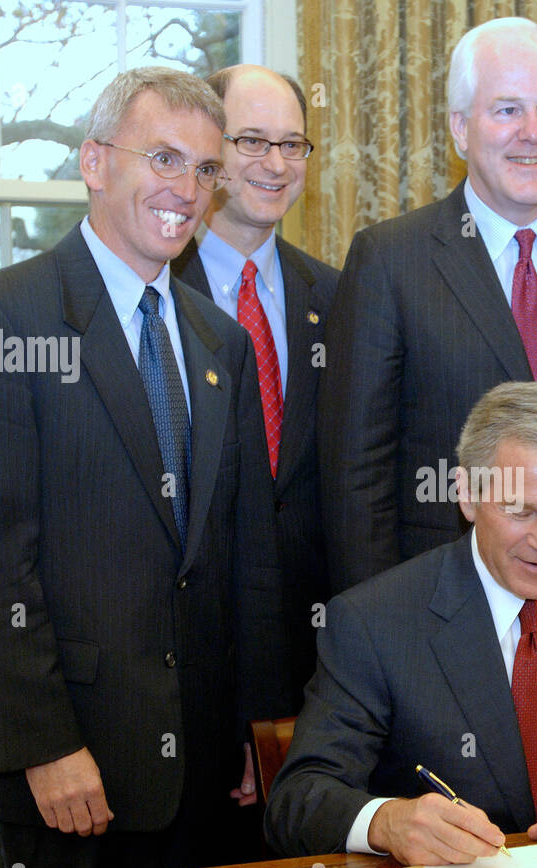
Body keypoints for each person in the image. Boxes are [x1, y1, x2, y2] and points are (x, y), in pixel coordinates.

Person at [0, 67, 284, 868]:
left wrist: (259, 734)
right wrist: (44, 743)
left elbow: (247, 561)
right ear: (93, 163)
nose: (185, 189)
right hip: (69, 780)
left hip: (207, 781)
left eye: (204, 169)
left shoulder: (220, 343)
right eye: (162, 157)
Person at [266, 382, 537, 864]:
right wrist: (388, 822)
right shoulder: (374, 621)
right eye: (521, 511)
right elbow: (297, 800)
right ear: (467, 497)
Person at [318, 16, 537, 597]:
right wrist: (382, 632)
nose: (532, 132)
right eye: (507, 110)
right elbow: (357, 475)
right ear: (460, 129)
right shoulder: (389, 259)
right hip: (436, 604)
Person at [172, 65, 338, 718]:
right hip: (181, 656)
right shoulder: (153, 289)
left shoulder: (340, 295)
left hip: (312, 660)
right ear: (211, 149)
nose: (276, 163)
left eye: (291, 144)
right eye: (252, 141)